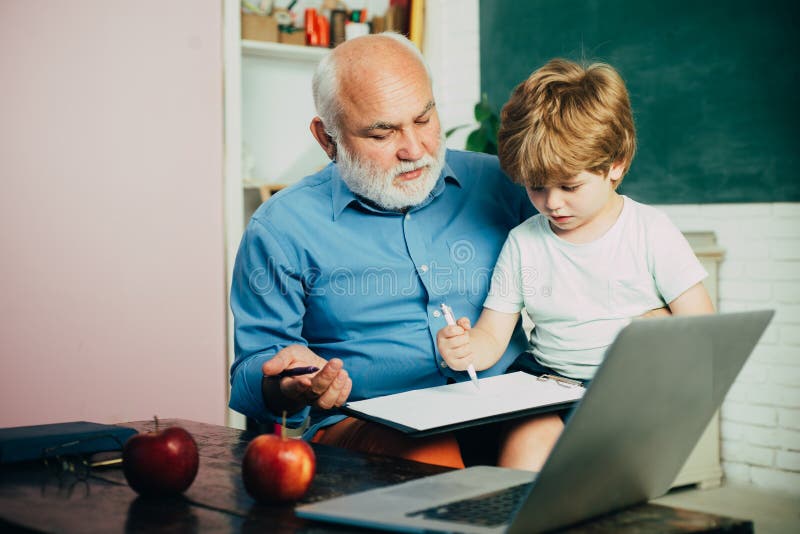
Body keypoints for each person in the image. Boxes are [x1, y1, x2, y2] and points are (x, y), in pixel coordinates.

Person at [229, 32, 560, 470]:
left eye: (423, 119)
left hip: (505, 404)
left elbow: (589, 252)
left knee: (553, 442)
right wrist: (288, 384)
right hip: (371, 420)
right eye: (382, 133)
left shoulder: (505, 185)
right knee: (431, 460)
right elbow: (253, 374)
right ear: (327, 139)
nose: (415, 150)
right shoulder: (280, 228)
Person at [437, 58, 715, 462]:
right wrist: (464, 348)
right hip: (546, 385)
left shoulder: (650, 230)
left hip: (625, 390)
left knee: (604, 481)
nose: (552, 203)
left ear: (614, 165)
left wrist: (664, 327)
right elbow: (493, 337)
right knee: (526, 448)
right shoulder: (524, 242)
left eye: (570, 185)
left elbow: (703, 328)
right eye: (536, 187)